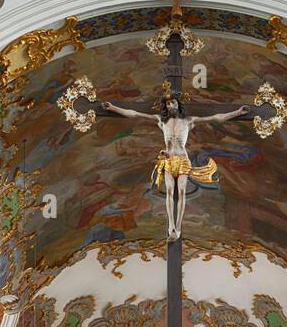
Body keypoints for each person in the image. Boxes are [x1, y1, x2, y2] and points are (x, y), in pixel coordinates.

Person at [105, 94, 250, 241]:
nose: (170, 106)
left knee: (181, 192)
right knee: (168, 192)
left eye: (172, 103)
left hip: (182, 160)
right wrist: (113, 108)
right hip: (168, 160)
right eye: (167, 104)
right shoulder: (161, 121)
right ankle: (171, 227)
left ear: (178, 104)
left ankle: (178, 228)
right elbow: (135, 114)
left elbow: (215, 118)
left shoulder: (189, 121)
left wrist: (237, 113)